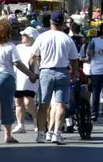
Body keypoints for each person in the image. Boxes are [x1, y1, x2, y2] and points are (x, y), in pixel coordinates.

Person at [31, 12, 79, 145]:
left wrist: (34, 71)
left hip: (45, 71)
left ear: (51, 22)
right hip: (62, 72)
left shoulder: (42, 37)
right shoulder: (67, 39)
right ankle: (57, 134)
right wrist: (74, 73)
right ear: (63, 23)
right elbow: (75, 59)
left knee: (43, 105)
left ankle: (41, 134)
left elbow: (33, 56)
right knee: (60, 104)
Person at [0, 20, 38, 143]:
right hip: (6, 77)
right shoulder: (10, 46)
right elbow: (17, 63)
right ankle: (7, 135)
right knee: (7, 106)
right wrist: (30, 73)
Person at [12, 26, 40, 134]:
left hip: (31, 78)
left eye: (25, 35)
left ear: (32, 38)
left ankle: (37, 120)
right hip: (18, 78)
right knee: (18, 102)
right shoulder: (18, 47)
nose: (22, 36)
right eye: (23, 34)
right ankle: (20, 125)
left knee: (28, 102)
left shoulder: (36, 48)